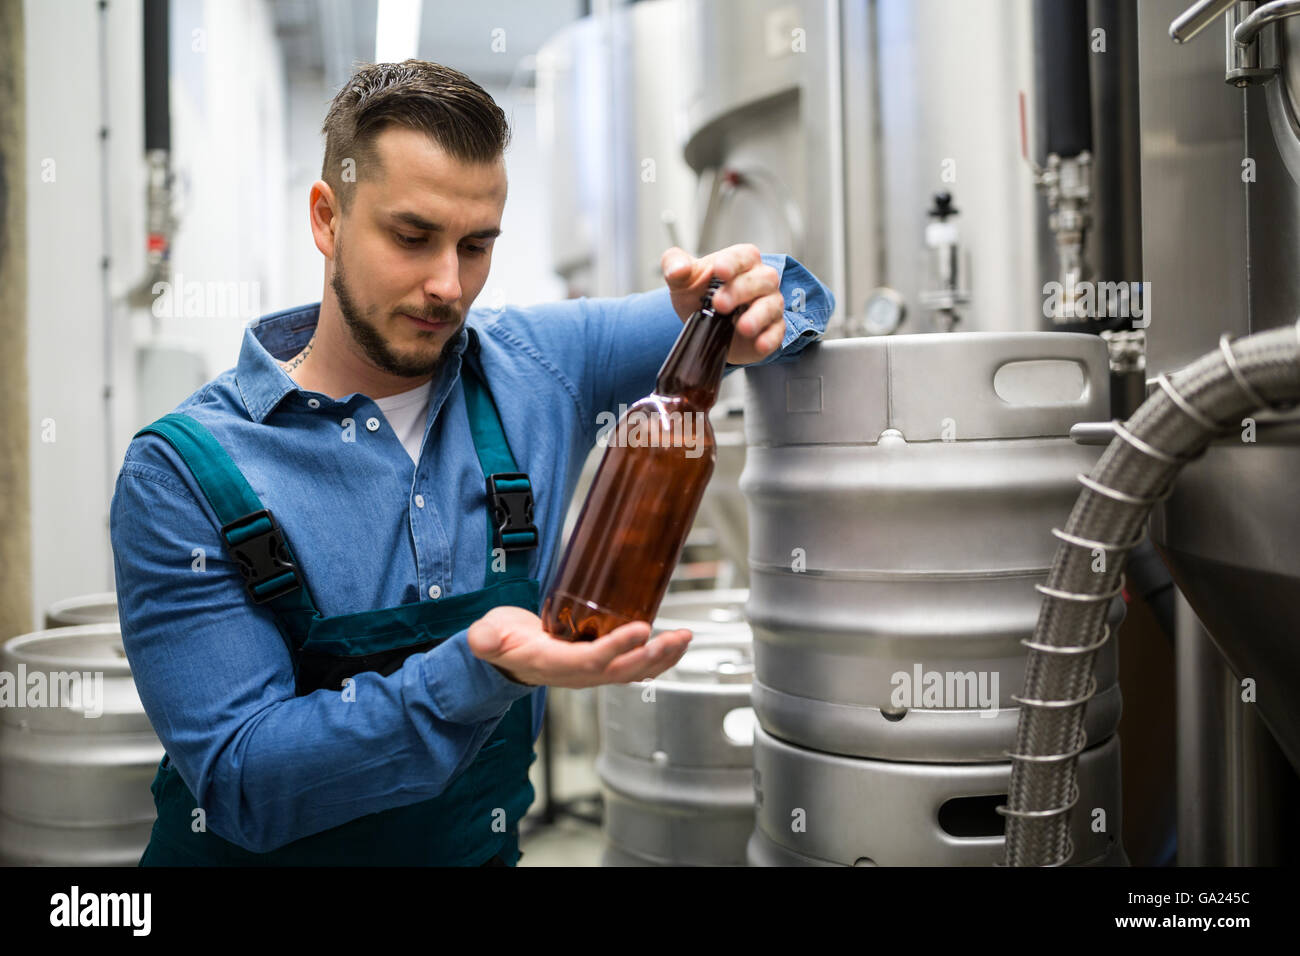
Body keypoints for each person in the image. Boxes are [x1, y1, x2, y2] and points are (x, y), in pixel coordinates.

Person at [109, 59, 834, 867]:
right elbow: (245, 784)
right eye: (412, 238)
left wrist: (741, 297)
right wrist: (478, 672)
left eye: (477, 245)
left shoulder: (537, 366)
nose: (448, 287)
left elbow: (790, 293)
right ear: (327, 218)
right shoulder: (181, 474)